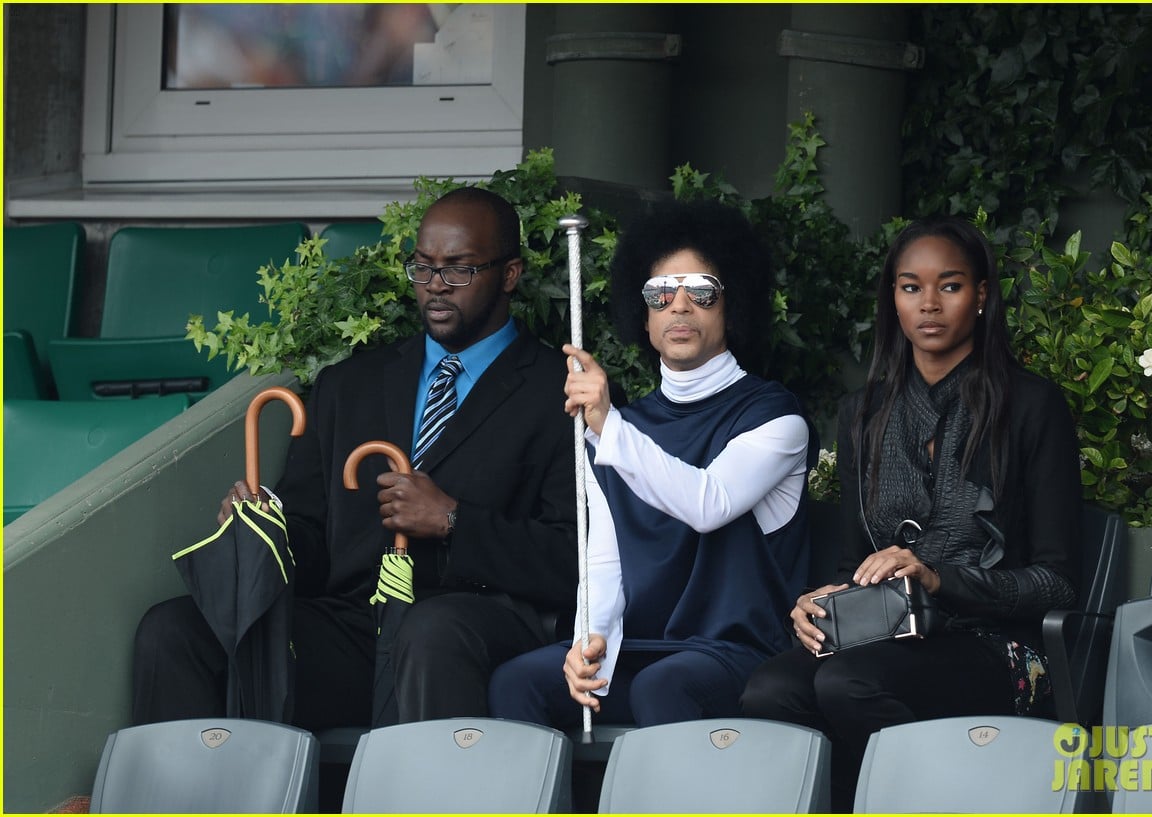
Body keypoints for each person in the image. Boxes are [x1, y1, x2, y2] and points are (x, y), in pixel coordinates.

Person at [131, 187, 578, 731]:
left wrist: (453, 521)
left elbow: (572, 560)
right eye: (423, 267)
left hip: (472, 623)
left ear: (509, 274)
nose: (435, 286)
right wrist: (264, 528)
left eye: (458, 270)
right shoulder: (350, 385)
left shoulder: (563, 394)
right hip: (352, 628)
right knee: (173, 630)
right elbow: (311, 533)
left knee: (430, 629)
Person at [739, 216, 1082, 811]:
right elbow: (856, 560)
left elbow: (1056, 581)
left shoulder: (1032, 406)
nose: (929, 304)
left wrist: (936, 576)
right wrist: (820, 605)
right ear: (891, 299)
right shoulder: (862, 414)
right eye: (909, 287)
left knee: (849, 684)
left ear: (980, 296)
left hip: (998, 644)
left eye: (949, 286)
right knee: (770, 690)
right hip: (889, 631)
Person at [488, 200, 812, 729]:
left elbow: (709, 503)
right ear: (643, 313)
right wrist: (585, 641)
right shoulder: (615, 430)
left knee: (666, 685)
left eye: (701, 290)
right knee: (519, 683)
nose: (679, 307)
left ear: (733, 305)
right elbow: (605, 558)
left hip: (735, 652)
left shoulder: (774, 417)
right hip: (640, 647)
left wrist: (609, 428)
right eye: (660, 293)